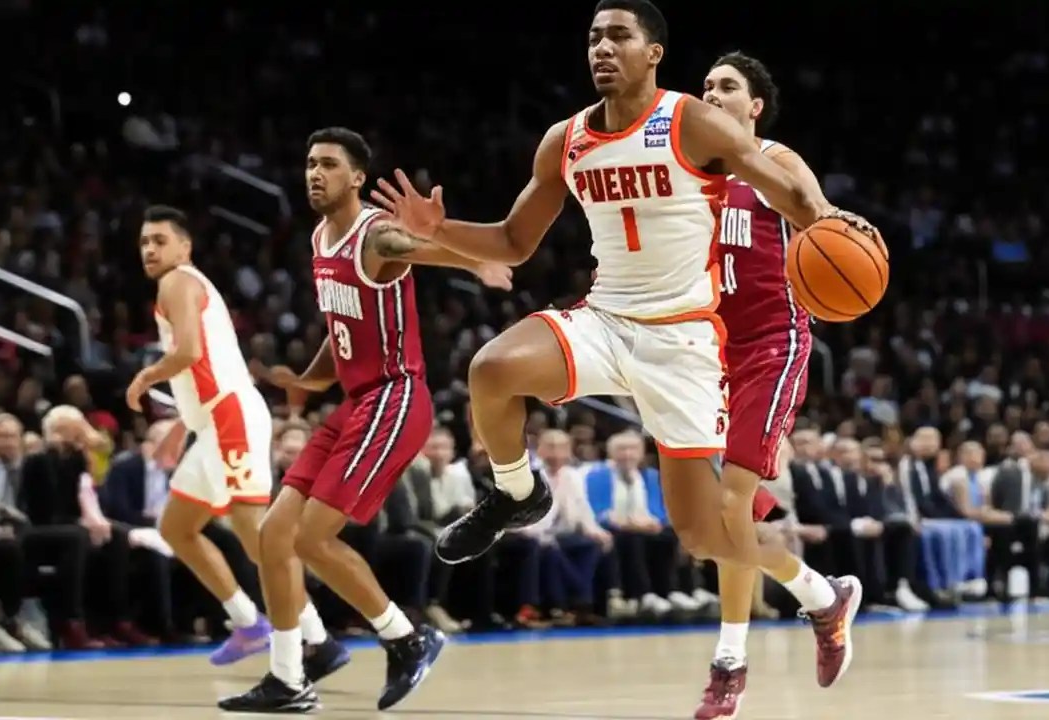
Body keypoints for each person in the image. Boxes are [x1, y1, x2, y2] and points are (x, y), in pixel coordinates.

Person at [372, 0, 877, 694]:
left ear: (654, 53)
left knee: (707, 536)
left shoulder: (691, 121)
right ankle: (516, 491)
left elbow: (789, 193)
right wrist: (439, 229)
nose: (602, 48)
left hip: (685, 343)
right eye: (593, 38)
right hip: (606, 319)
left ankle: (822, 595)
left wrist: (830, 221)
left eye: (618, 36)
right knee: (492, 367)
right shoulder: (566, 139)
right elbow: (513, 242)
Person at [219, 127, 510, 713]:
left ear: (357, 178)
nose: (314, 173)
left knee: (312, 537)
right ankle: (289, 677)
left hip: (395, 398)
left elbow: (416, 246)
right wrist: (310, 379)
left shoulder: (374, 234)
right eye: (310, 163)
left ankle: (407, 638)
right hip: (355, 403)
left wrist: (476, 260)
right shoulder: (319, 238)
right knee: (274, 534)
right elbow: (341, 328)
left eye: (328, 164)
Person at [694, 51, 875, 718]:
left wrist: (838, 222)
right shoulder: (690, 175)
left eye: (727, 86)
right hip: (705, 355)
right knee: (714, 524)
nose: (711, 93)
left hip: (772, 346)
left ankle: (729, 665)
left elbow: (818, 213)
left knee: (731, 506)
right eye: (705, 85)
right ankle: (823, 597)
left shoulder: (774, 160)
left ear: (754, 107)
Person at [124, 204, 347, 674]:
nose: (149, 249)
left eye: (160, 240)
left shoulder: (177, 281)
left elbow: (188, 351)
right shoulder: (187, 283)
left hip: (230, 419)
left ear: (184, 247)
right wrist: (183, 424)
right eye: (143, 242)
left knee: (257, 537)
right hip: (214, 423)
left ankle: (317, 640)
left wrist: (145, 376)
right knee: (176, 528)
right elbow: (202, 365)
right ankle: (247, 623)